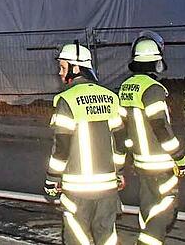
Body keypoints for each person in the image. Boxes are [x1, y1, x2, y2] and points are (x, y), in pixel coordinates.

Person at [45, 41, 127, 245]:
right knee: (107, 237)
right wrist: (119, 172)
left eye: (63, 67)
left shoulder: (67, 100)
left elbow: (61, 147)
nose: (60, 73)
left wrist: (51, 179)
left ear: (76, 68)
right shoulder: (110, 98)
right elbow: (120, 143)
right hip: (108, 188)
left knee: (77, 238)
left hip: (77, 190)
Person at [117, 32, 185, 245]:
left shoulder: (127, 87)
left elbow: (122, 128)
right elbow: (160, 126)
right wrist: (179, 157)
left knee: (149, 206)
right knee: (166, 206)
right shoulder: (153, 89)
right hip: (160, 162)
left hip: (141, 161)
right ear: (157, 61)